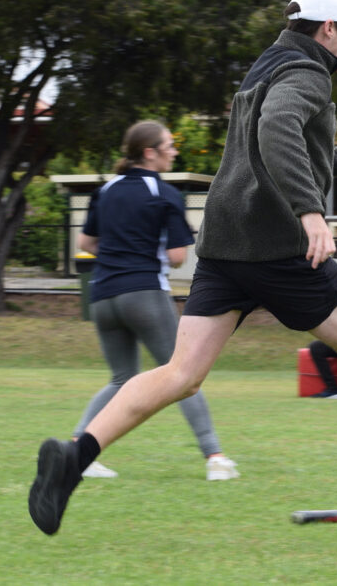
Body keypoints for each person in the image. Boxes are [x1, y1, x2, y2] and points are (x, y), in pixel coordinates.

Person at [29, 0, 337, 538]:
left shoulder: (268, 65)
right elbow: (277, 130)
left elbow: (265, 149)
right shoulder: (308, 72)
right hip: (278, 247)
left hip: (225, 247)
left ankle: (74, 458)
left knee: (182, 374)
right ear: (328, 28)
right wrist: (311, 211)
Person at [72, 120, 238, 482]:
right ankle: (216, 457)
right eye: (169, 144)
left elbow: (86, 243)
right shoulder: (164, 194)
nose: (174, 149)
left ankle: (76, 450)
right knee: (181, 374)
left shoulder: (106, 189)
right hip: (143, 292)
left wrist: (119, 254)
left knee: (121, 378)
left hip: (101, 297)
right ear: (150, 152)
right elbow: (177, 256)